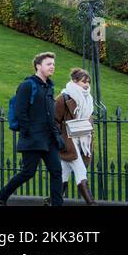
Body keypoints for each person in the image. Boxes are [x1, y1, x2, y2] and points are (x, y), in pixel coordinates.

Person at [0, 52, 65, 206]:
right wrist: (28, 130)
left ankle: (57, 205)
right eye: (48, 64)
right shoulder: (28, 85)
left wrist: (56, 133)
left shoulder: (48, 87)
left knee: (56, 172)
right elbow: (21, 111)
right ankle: (1, 197)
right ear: (38, 66)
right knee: (28, 172)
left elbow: (49, 114)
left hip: (49, 138)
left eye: (53, 64)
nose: (52, 67)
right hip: (33, 138)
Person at [55, 68, 96, 205]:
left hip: (82, 140)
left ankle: (53, 201)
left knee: (63, 173)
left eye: (88, 82)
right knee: (81, 170)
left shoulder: (88, 99)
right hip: (68, 141)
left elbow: (89, 121)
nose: (87, 85)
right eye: (83, 81)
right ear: (74, 81)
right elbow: (54, 121)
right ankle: (91, 203)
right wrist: (60, 140)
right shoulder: (63, 98)